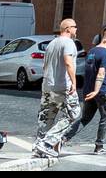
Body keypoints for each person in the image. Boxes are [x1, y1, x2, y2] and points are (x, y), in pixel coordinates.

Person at [61, 28, 106, 154]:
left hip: (88, 90)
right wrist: (97, 90)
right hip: (103, 91)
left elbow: (90, 71)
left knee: (84, 119)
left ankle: (63, 138)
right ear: (105, 38)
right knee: (105, 118)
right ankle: (99, 146)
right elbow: (101, 73)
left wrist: (91, 90)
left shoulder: (91, 51)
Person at [32, 18, 81, 158]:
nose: (76, 29)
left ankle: (38, 146)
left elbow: (44, 65)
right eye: (74, 27)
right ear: (67, 29)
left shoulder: (51, 43)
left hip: (48, 85)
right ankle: (48, 142)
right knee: (74, 114)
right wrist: (74, 82)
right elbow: (68, 62)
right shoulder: (69, 42)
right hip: (63, 85)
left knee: (46, 116)